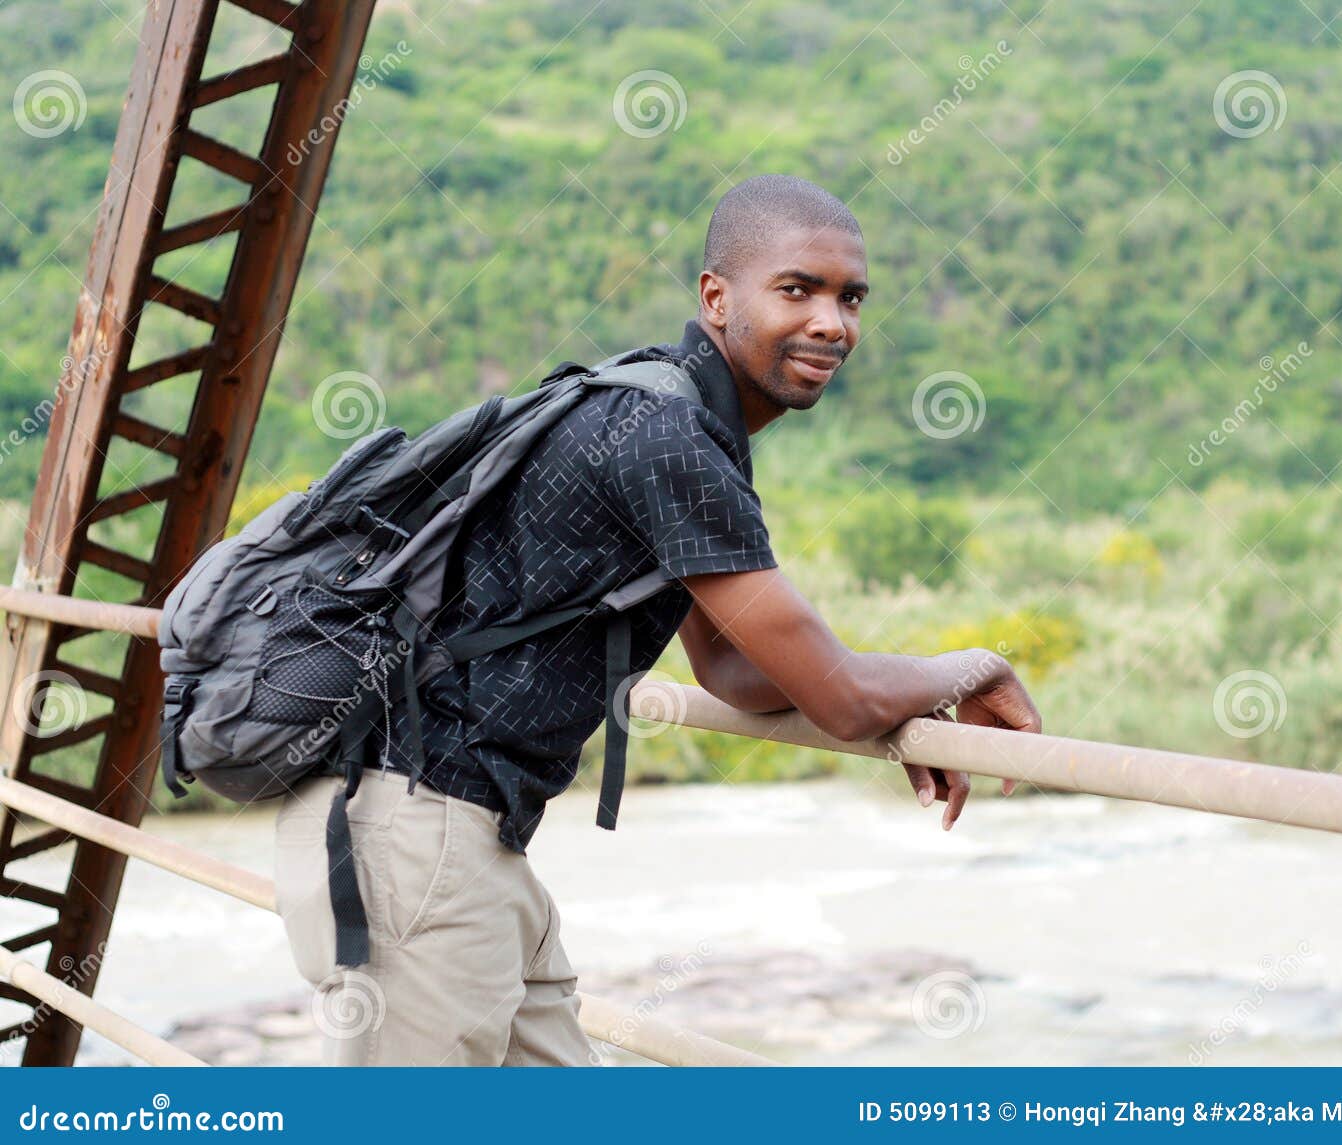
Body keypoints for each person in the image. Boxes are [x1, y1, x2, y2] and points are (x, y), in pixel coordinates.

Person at [272, 173, 1043, 1066]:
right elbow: (838, 697)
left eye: (851, 296)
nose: (834, 323)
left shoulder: (672, 413)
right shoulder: (665, 436)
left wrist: (902, 709)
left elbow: (733, 671)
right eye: (799, 289)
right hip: (416, 837)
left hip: (461, 836)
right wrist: (974, 666)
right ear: (716, 296)